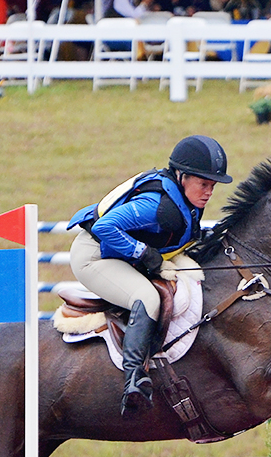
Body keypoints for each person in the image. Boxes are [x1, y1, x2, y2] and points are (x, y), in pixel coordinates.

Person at [67, 136, 232, 415]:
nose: (209, 192)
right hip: (94, 255)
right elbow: (106, 227)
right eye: (204, 184)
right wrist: (144, 254)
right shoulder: (156, 205)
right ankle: (133, 377)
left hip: (118, 254)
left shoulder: (184, 200)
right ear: (182, 177)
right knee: (146, 297)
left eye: (212, 186)